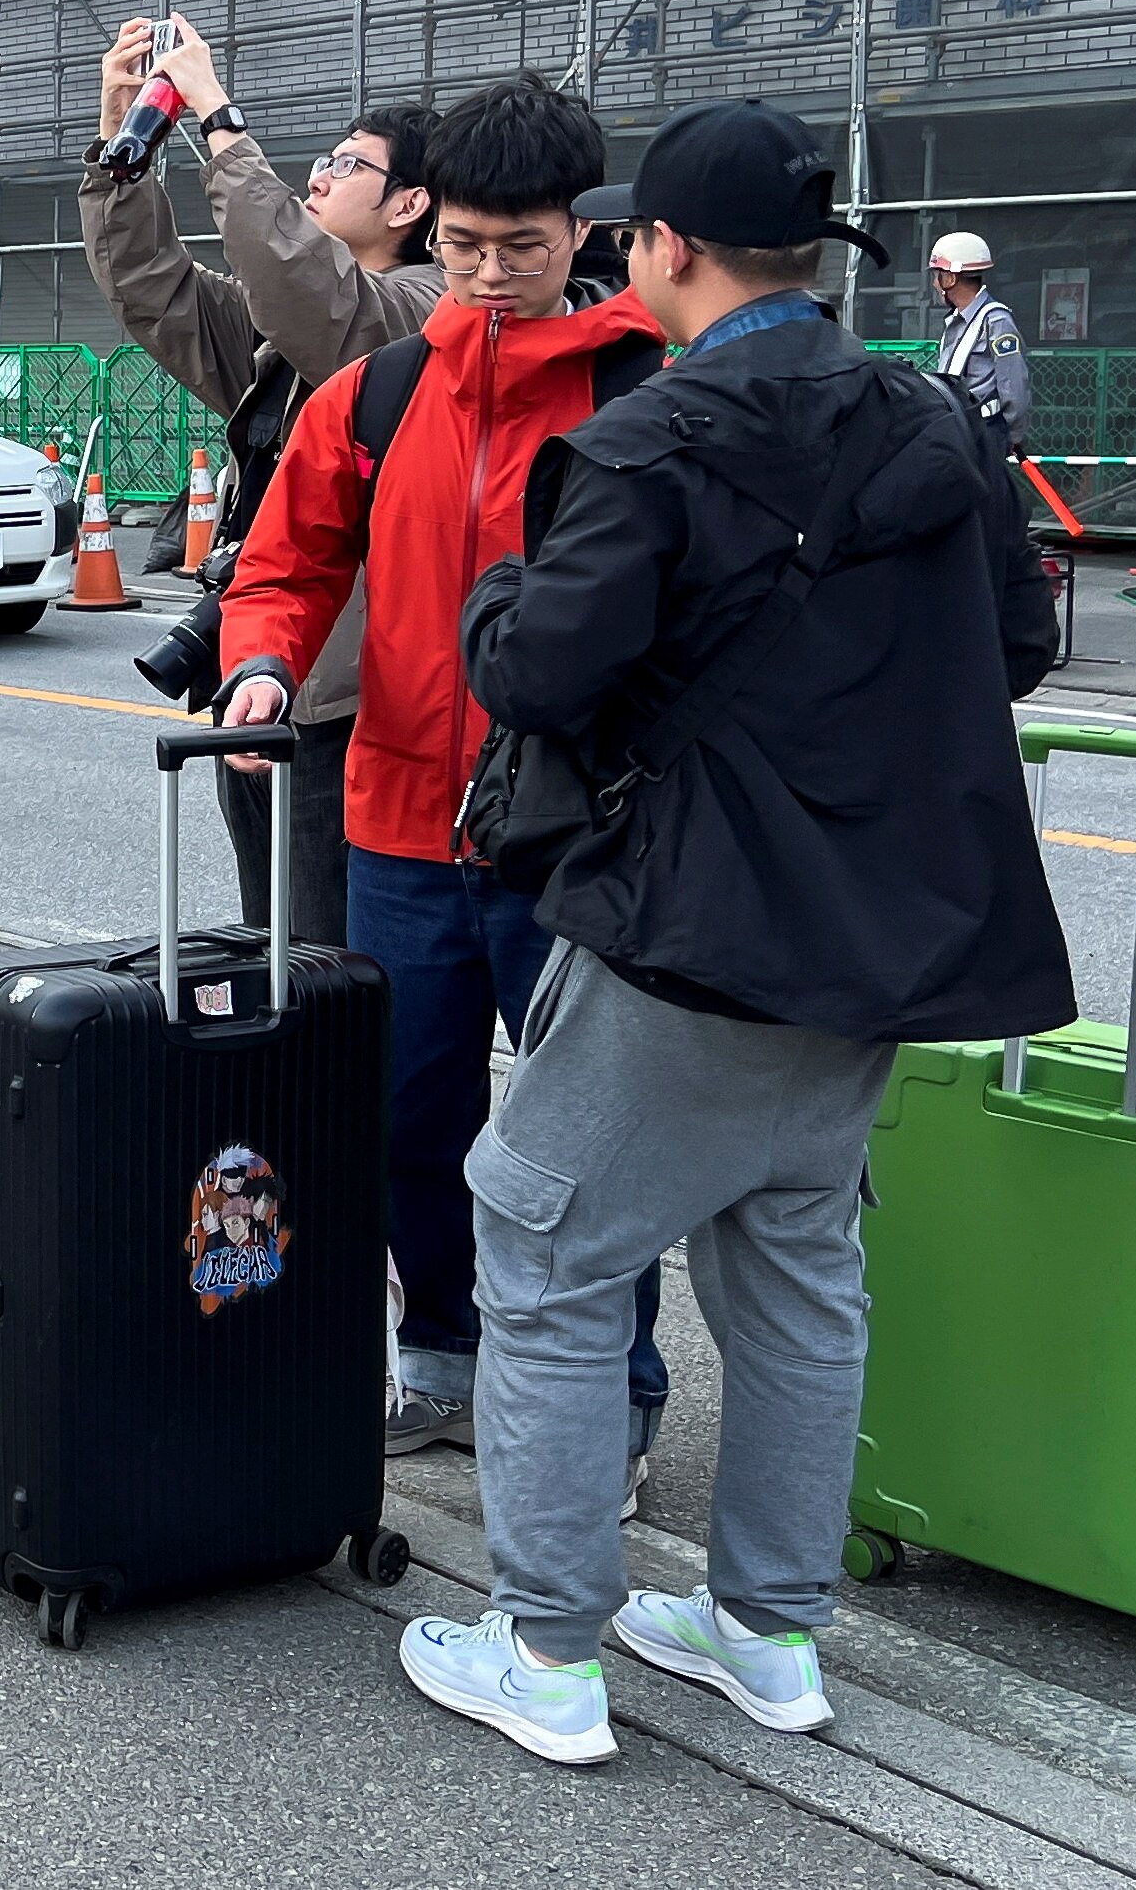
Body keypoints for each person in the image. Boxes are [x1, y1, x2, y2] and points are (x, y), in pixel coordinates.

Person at [393, 100, 1070, 1765]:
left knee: (539, 1254)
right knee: (792, 1280)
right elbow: (1014, 647)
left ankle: (544, 1655)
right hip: (877, 944)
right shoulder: (929, 421)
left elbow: (534, 673)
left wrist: (493, 593)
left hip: (690, 935)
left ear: (660, 253)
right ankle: (767, 1638)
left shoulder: (649, 442)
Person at [211, 75, 671, 1469]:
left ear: (579, 232)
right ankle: (442, 1354)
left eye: (516, 248)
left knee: (587, 1135)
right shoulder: (379, 387)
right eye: (460, 244)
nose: (482, 275)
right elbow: (288, 559)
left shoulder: (643, 384)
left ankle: (617, 1388)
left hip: (580, 835)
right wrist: (263, 659)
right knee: (411, 1110)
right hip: (401, 818)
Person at [79, 12, 440, 945]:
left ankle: (356, 1096)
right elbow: (152, 286)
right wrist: (126, 141)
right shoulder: (283, 334)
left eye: (348, 164)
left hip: (349, 700)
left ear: (410, 205)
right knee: (270, 942)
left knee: (329, 959)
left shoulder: (421, 310)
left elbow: (318, 299)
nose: (320, 173)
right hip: (262, 670)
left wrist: (222, 122)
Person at [926, 230, 1030, 450]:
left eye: (938, 275)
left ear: (950, 278)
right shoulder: (956, 320)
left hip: (984, 430)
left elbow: (1013, 384)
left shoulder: (996, 321)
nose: (935, 284)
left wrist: (1014, 434)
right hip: (956, 427)